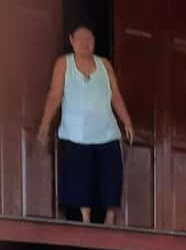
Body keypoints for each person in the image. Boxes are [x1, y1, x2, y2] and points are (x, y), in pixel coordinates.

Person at [36, 22, 134, 225]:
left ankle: (110, 217)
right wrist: (45, 124)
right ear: (71, 41)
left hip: (106, 131)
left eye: (89, 40)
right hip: (76, 133)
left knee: (111, 175)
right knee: (80, 176)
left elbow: (115, 96)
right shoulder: (64, 63)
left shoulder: (105, 65)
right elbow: (54, 95)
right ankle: (85, 217)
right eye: (80, 39)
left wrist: (127, 122)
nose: (85, 43)